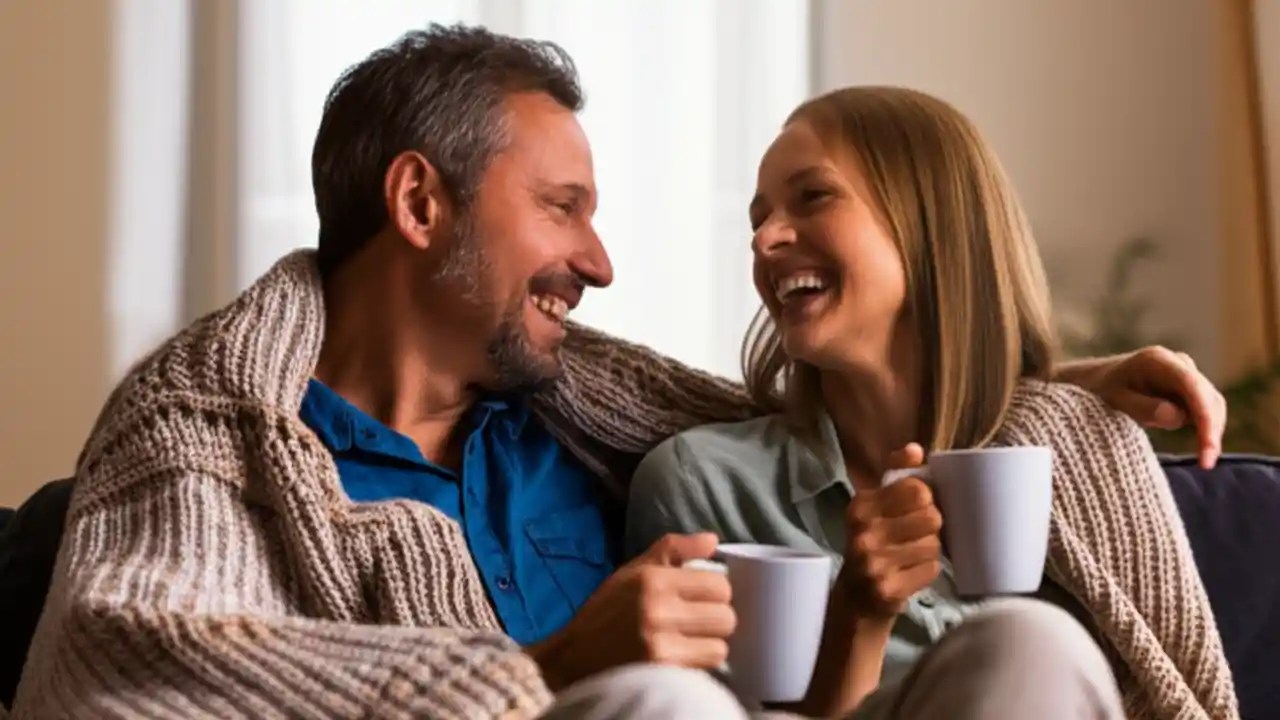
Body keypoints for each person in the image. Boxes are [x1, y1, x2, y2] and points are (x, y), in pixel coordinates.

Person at [9, 26, 1227, 720]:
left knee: (1022, 643)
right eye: (561, 209)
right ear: (420, 201)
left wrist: (1050, 379)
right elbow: (130, 670)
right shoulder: (205, 431)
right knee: (667, 706)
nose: (598, 259)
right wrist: (543, 670)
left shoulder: (584, 414)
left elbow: (815, 413)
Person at [626, 86, 1237, 720]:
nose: (766, 240)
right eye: (758, 220)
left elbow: (1178, 690)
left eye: (814, 197)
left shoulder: (1083, 452)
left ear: (931, 225)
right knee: (1027, 640)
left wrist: (1066, 390)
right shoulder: (707, 485)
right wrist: (859, 614)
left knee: (1031, 644)